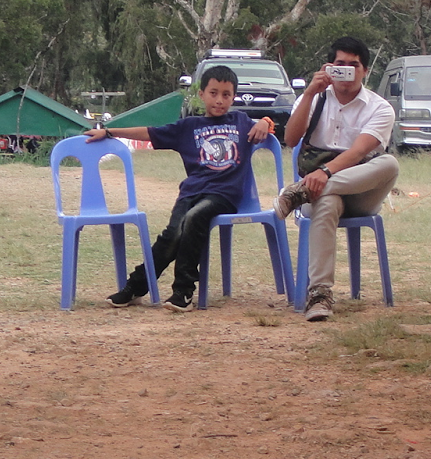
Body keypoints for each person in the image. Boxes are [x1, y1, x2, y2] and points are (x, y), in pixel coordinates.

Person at [86, 65, 273, 311]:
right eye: (213, 93)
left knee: (194, 219)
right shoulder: (188, 126)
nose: (219, 100)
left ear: (233, 97)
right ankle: (136, 286)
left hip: (224, 194)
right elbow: (149, 133)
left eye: (226, 95)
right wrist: (109, 131)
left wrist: (265, 121)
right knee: (173, 233)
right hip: (191, 192)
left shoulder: (241, 121)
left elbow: (269, 129)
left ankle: (183, 292)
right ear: (202, 95)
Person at [273, 36, 399, 321]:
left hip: (361, 194)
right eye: (339, 65)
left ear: (365, 71)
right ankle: (319, 294)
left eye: (353, 66)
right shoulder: (315, 99)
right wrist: (308, 94)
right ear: (329, 67)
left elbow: (357, 153)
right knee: (326, 202)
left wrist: (325, 172)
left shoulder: (380, 108)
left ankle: (297, 193)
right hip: (320, 196)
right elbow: (291, 139)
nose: (346, 71)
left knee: (389, 164)